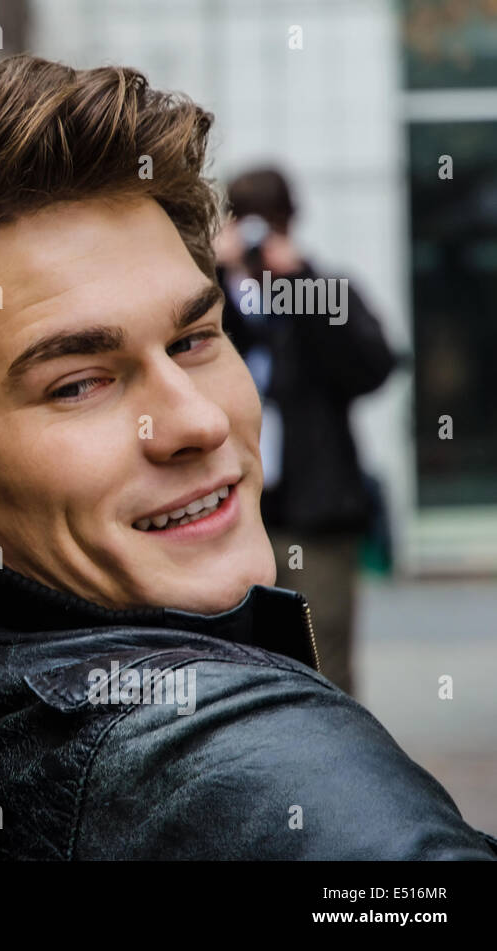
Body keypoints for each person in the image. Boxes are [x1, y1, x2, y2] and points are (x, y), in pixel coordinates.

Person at [0, 54, 497, 859]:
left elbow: (370, 361)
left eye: (194, 339)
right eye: (79, 384)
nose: (194, 421)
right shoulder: (262, 765)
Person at [214, 166, 396, 697]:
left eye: (268, 223)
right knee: (238, 667)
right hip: (234, 512)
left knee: (324, 665)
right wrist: (215, 273)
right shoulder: (213, 296)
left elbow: (372, 367)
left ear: (290, 222)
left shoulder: (319, 290)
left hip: (314, 516)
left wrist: (302, 283)